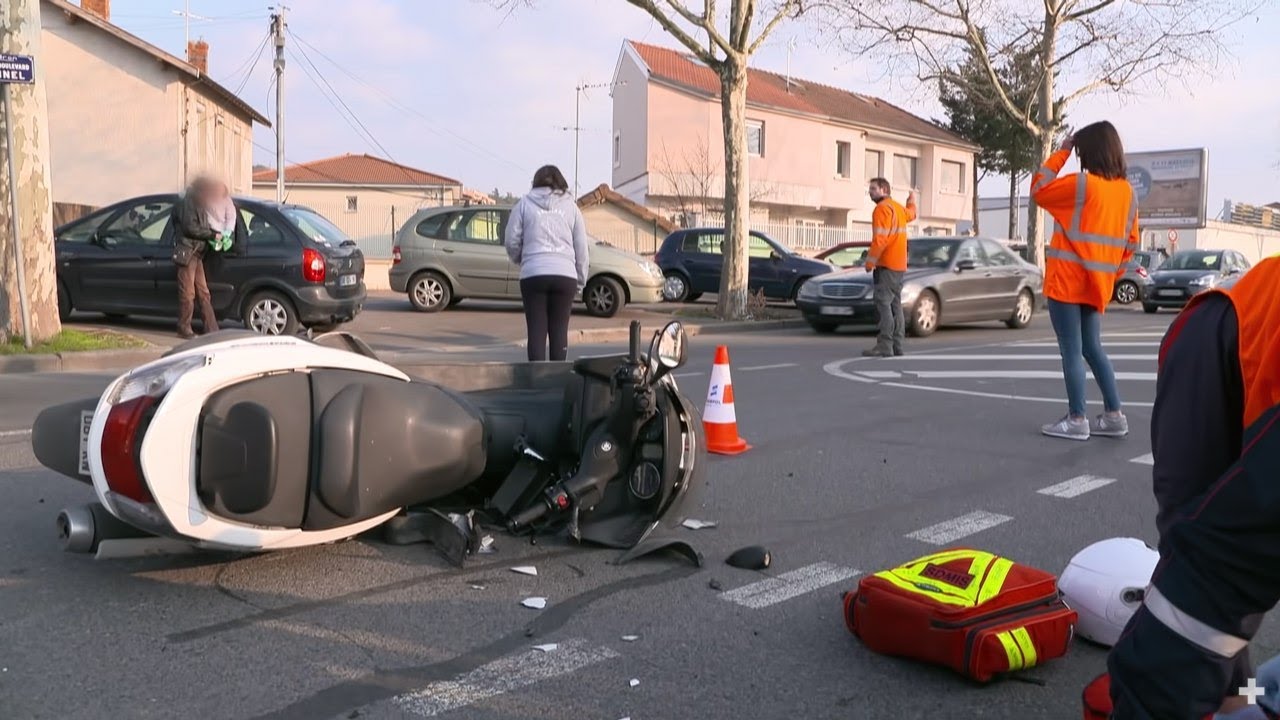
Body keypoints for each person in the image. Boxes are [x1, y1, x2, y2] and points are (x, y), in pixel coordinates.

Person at [1106, 255, 1280, 719]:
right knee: (1196, 544)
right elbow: (1220, 568)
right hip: (1218, 334)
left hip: (1238, 336)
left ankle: (1232, 697)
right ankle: (1229, 699)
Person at [1029, 121, 1138, 441]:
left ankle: (1077, 418)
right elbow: (1131, 244)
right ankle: (1114, 416)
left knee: (1072, 351)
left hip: (1067, 282)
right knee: (1093, 348)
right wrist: (1107, 275)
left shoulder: (1082, 185)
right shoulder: (1127, 194)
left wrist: (1061, 152)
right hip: (1096, 285)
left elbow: (1039, 190)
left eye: (1080, 152)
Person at [504, 165, 589, 361]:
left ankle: (536, 381)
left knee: (536, 329)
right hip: (565, 274)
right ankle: (557, 379)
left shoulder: (524, 204)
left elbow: (511, 240)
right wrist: (580, 280)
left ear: (535, 183)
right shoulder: (572, 208)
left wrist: (522, 259)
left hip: (533, 273)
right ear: (562, 183)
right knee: (560, 329)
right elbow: (582, 248)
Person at [862, 178, 916, 357]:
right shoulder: (898, 208)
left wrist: (870, 262)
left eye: (873, 189)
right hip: (899, 265)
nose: (870, 192)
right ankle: (897, 345)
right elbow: (912, 214)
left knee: (883, 304)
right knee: (895, 305)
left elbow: (880, 239)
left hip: (886, 264)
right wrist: (911, 199)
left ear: (884, 190)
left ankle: (885, 345)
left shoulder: (881, 209)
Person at [171, 176, 221, 339]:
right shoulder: (189, 202)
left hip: (197, 251)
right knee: (188, 292)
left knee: (203, 292)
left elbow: (200, 226)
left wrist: (213, 234)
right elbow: (190, 227)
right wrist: (212, 234)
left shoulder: (199, 202)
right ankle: (184, 327)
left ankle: (211, 329)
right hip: (188, 251)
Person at [205, 179, 237, 253]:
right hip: (206, 233)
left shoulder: (227, 201)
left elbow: (231, 217)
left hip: (220, 234)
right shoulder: (207, 200)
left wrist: (227, 232)